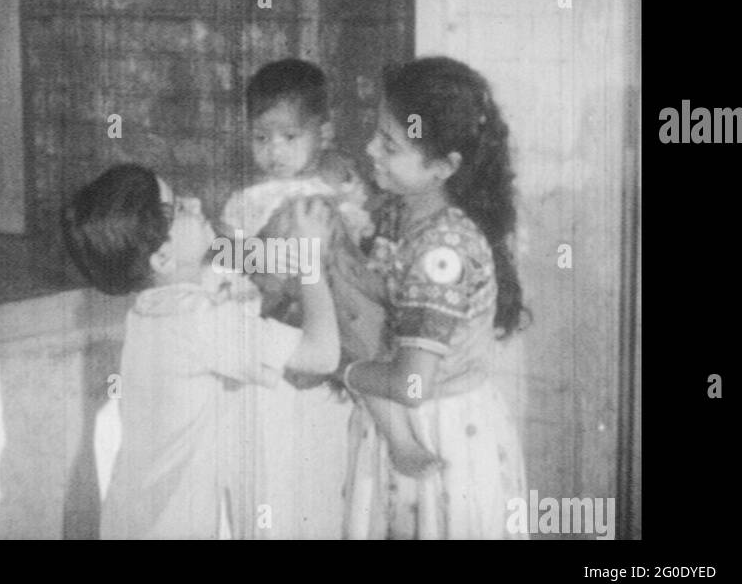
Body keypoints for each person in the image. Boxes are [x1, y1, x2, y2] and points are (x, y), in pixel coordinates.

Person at [61, 163, 339, 539]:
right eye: (177, 209)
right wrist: (311, 261)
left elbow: (209, 260)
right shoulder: (201, 322)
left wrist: (256, 255)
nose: (194, 202)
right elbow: (322, 354)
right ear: (160, 259)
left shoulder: (153, 306)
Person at [342, 57, 529, 539]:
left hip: (438, 436)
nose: (369, 150)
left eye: (389, 144)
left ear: (444, 168)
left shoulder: (443, 251)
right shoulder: (397, 214)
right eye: (375, 134)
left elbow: (410, 385)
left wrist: (345, 370)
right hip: (401, 427)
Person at [218, 59, 387, 537]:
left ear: (324, 133)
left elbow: (363, 254)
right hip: (278, 356)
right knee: (279, 481)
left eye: (289, 137)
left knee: (330, 478)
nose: (273, 151)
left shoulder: (341, 190)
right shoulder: (243, 202)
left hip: (335, 347)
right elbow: (228, 267)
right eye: (261, 138)